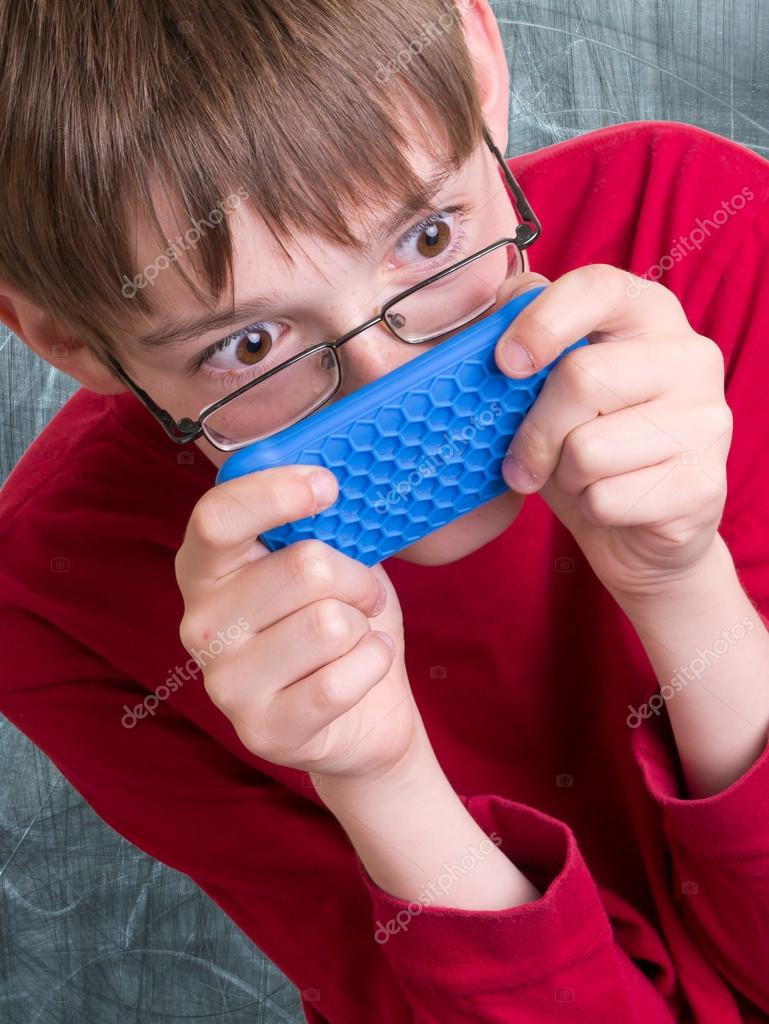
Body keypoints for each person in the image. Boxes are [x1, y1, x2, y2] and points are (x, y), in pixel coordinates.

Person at [1, 1, 768, 1021]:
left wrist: (681, 583)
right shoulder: (51, 597)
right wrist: (380, 783)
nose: (387, 381)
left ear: (478, 62)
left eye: (431, 234)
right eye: (251, 346)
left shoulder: (697, 226)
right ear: (73, 345)